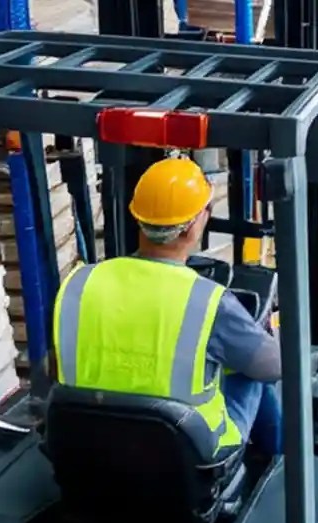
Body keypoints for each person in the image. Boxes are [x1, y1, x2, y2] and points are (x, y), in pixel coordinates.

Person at [50, 156, 283, 457]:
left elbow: (57, 365)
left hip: (90, 448)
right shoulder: (210, 302)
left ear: (138, 219)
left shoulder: (80, 283)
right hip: (183, 460)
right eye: (205, 211)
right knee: (250, 372)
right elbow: (274, 368)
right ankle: (280, 464)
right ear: (191, 229)